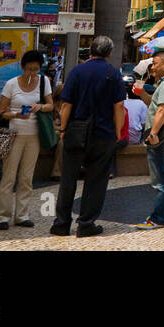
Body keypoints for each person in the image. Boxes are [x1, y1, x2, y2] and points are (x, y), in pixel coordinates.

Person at [52, 35, 126, 237]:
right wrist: (118, 132)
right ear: (109, 53)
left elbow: (66, 104)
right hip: (103, 134)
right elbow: (119, 106)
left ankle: (61, 223)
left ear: (91, 50)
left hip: (75, 131)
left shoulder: (77, 71)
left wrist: (63, 128)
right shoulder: (113, 74)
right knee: (96, 180)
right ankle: (85, 224)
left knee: (68, 178)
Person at [0, 50, 53, 230]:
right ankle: (2, 216)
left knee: (27, 177)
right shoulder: (11, 84)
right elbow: (1, 111)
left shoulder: (44, 82)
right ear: (22, 67)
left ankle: (22, 215)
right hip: (14, 134)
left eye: (36, 70)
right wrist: (16, 114)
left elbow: (51, 105)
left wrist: (40, 106)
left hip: (34, 135)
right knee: (9, 176)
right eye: (29, 69)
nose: (32, 74)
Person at [134, 49, 164, 229]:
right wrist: (141, 94)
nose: (152, 67)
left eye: (155, 63)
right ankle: (163, 216)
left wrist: (152, 134)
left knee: (162, 179)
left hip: (162, 137)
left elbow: (162, 111)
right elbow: (154, 105)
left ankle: (159, 218)